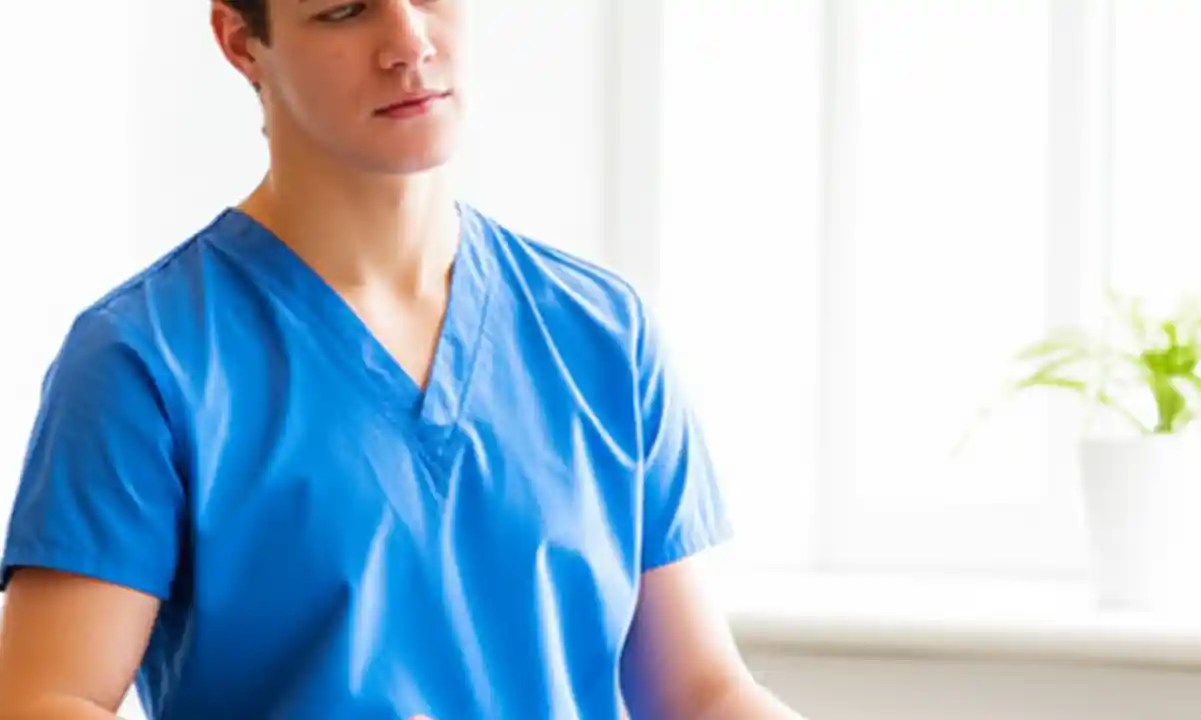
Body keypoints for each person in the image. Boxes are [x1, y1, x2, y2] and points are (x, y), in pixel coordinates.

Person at [0, 1, 804, 718]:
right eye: (346, 12)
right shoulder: (145, 360)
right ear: (242, 41)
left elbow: (700, 691)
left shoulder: (605, 335)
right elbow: (45, 699)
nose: (409, 41)